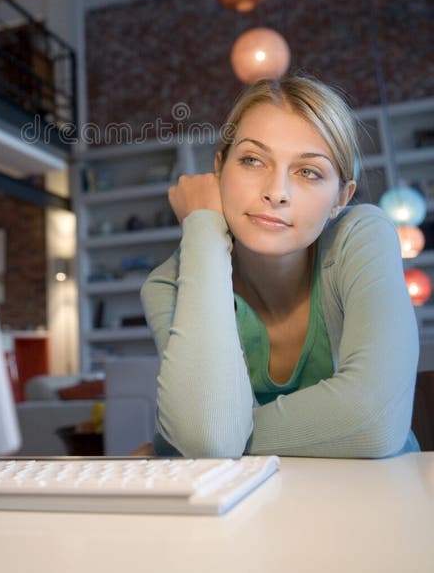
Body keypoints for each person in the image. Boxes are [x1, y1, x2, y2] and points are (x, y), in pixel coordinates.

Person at [140, 75, 420, 459]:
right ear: (219, 171)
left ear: (341, 197)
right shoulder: (168, 282)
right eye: (253, 160)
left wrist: (218, 442)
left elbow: (373, 421)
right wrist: (203, 228)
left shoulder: (360, 234)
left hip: (377, 495)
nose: (276, 192)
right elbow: (208, 437)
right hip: (241, 510)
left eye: (308, 172)